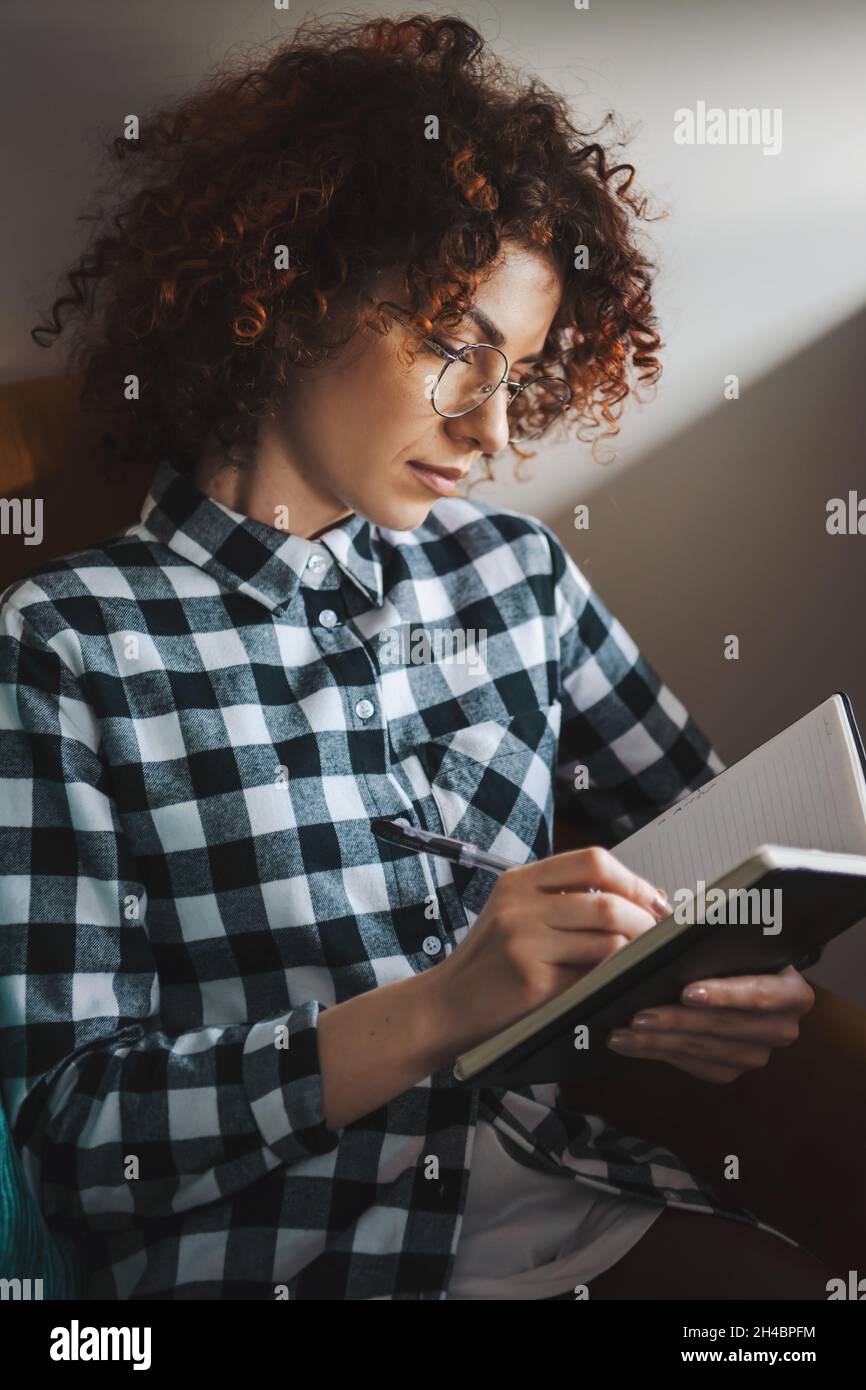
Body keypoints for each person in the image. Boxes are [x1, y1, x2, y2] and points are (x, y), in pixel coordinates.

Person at [0, 14, 829, 1300]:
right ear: (285, 296)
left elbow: (727, 852)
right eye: (457, 349)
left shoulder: (516, 575)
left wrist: (742, 977)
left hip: (587, 1214)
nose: (494, 431)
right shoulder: (70, 642)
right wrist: (442, 1006)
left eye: (524, 372)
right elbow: (69, 1138)